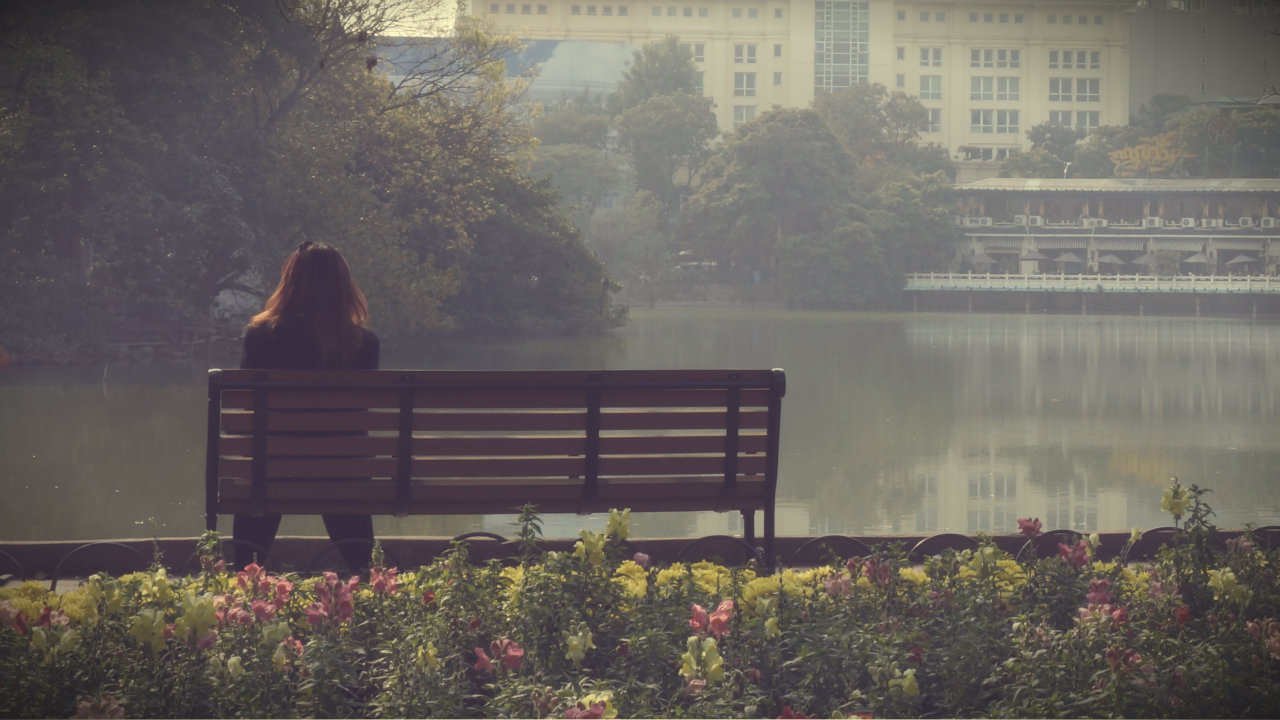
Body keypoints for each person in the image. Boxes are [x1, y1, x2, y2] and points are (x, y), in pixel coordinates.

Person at [234, 241, 379, 571]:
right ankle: (367, 580)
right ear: (344, 287)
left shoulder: (261, 337)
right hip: (343, 474)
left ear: (290, 282)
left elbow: (248, 414)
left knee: (262, 476)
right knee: (344, 474)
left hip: (271, 471)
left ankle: (245, 582)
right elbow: (363, 416)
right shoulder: (363, 343)